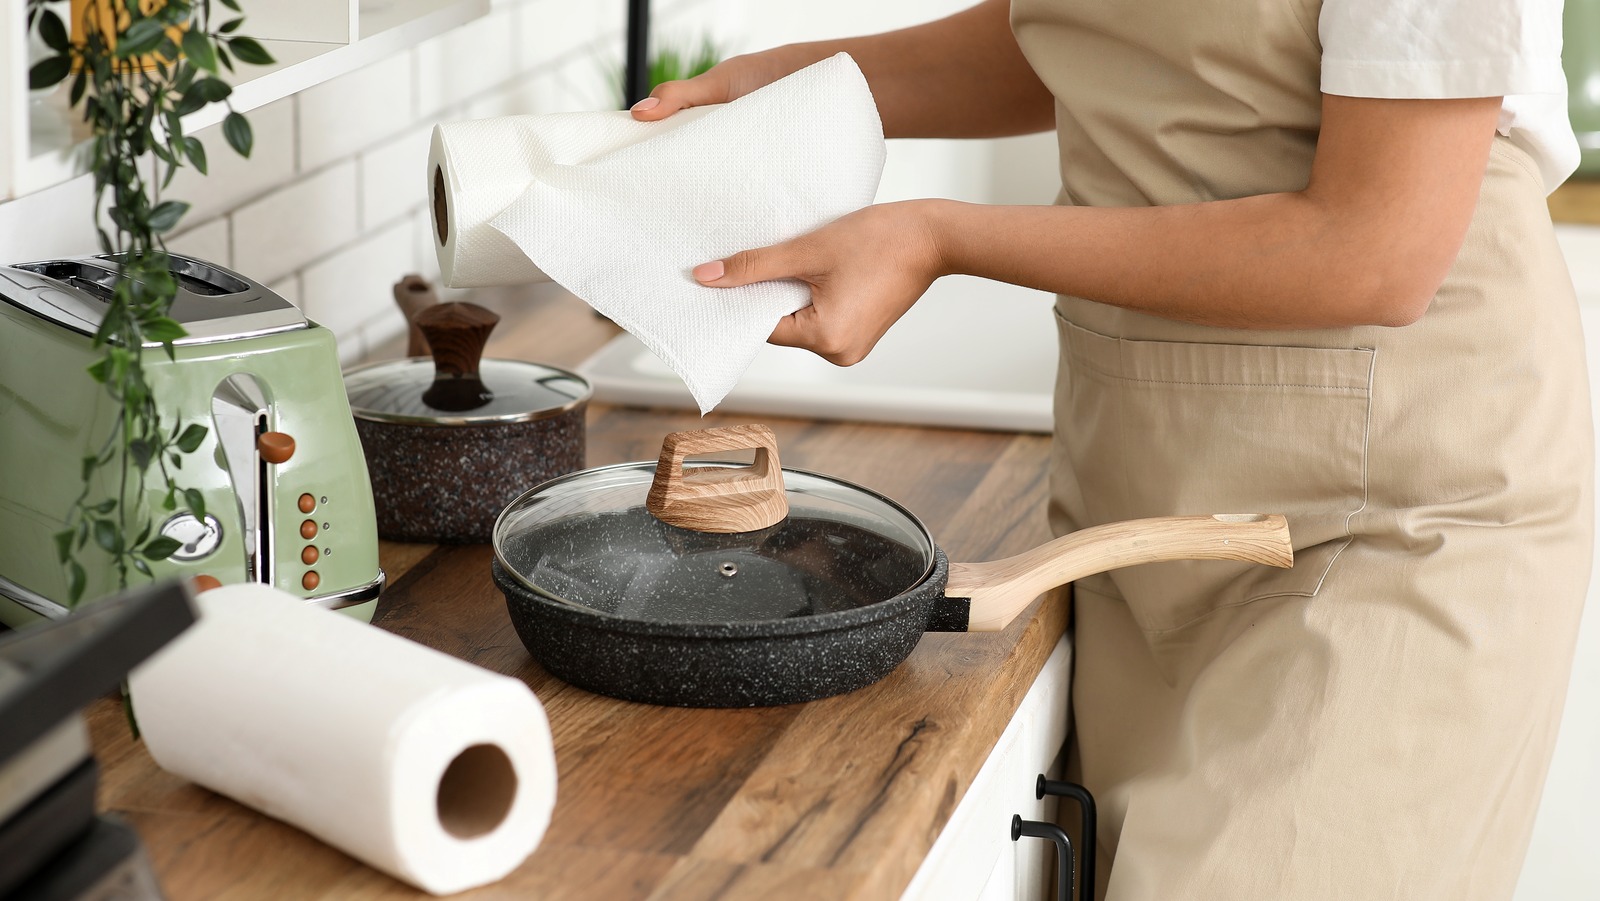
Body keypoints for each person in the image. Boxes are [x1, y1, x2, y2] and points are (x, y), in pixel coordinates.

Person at [633, 1, 1592, 898]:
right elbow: (1085, 33)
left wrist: (939, 236)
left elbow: (1376, 249)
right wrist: (789, 87)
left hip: (1393, 505)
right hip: (1140, 497)